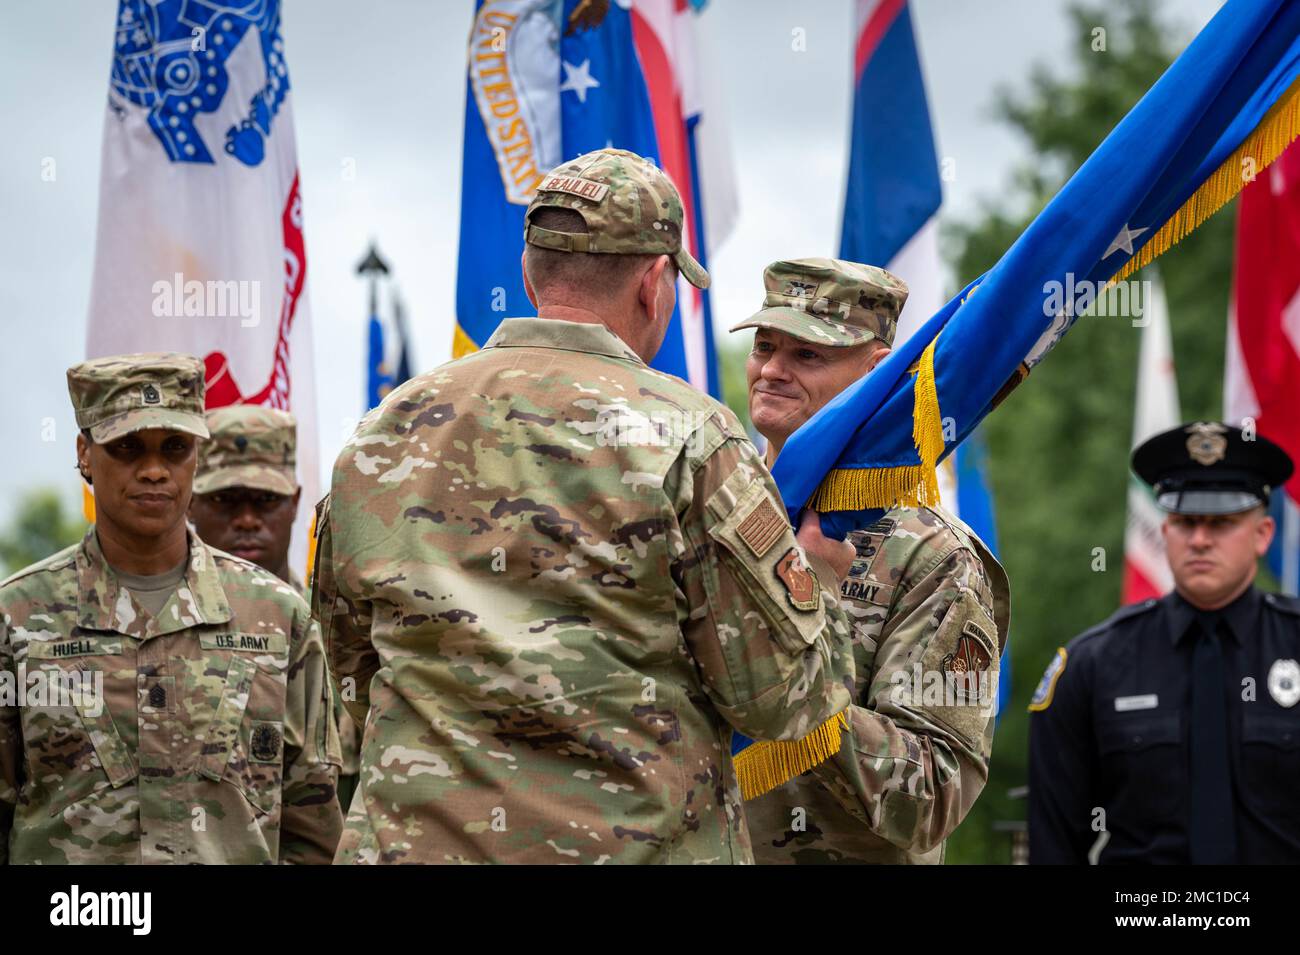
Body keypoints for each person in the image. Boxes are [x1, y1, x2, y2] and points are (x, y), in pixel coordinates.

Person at [312, 148, 857, 864]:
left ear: (529, 274)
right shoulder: (693, 436)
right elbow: (781, 700)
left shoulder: (382, 431)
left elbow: (344, 678)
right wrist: (822, 585)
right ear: (653, 284)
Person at [0, 354, 342, 864]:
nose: (155, 470)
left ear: (197, 457)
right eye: (127, 447)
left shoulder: (277, 618)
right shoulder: (18, 617)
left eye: (175, 447)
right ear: (85, 454)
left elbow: (313, 828)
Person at [734, 258, 1010, 864]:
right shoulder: (711, 510)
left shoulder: (933, 555)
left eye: (807, 354)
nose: (772, 371)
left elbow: (932, 797)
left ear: (877, 371)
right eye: (764, 347)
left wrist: (806, 637)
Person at [1029, 421, 1300, 864]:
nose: (1200, 540)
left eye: (1221, 523)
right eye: (1185, 521)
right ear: (1165, 530)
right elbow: (1054, 845)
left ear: (1263, 534)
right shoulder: (1092, 665)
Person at [189, 405, 359, 813]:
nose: (247, 520)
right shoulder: (155, 635)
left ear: (296, 501)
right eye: (225, 500)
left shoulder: (344, 634)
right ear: (191, 504)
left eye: (266, 500)